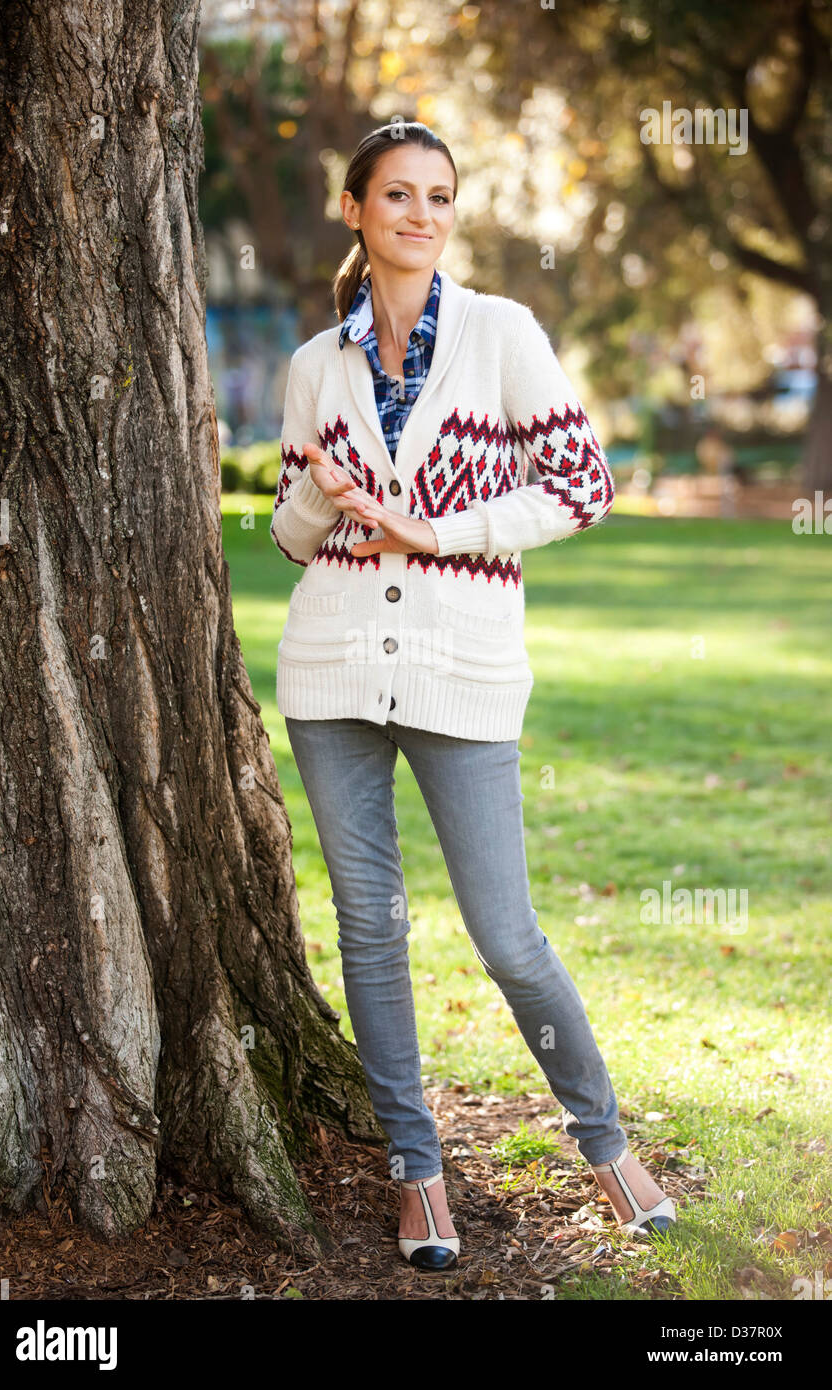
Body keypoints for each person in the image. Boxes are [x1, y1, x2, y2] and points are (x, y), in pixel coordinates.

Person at [270, 120, 676, 1272]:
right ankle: (415, 1169)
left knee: (506, 935)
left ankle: (601, 1142)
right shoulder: (315, 366)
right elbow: (292, 538)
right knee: (371, 929)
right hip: (333, 670)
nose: (418, 214)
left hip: (464, 673)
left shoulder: (501, 335)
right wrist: (322, 497)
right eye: (394, 195)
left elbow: (582, 485)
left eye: (437, 196)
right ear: (355, 209)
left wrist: (434, 527)